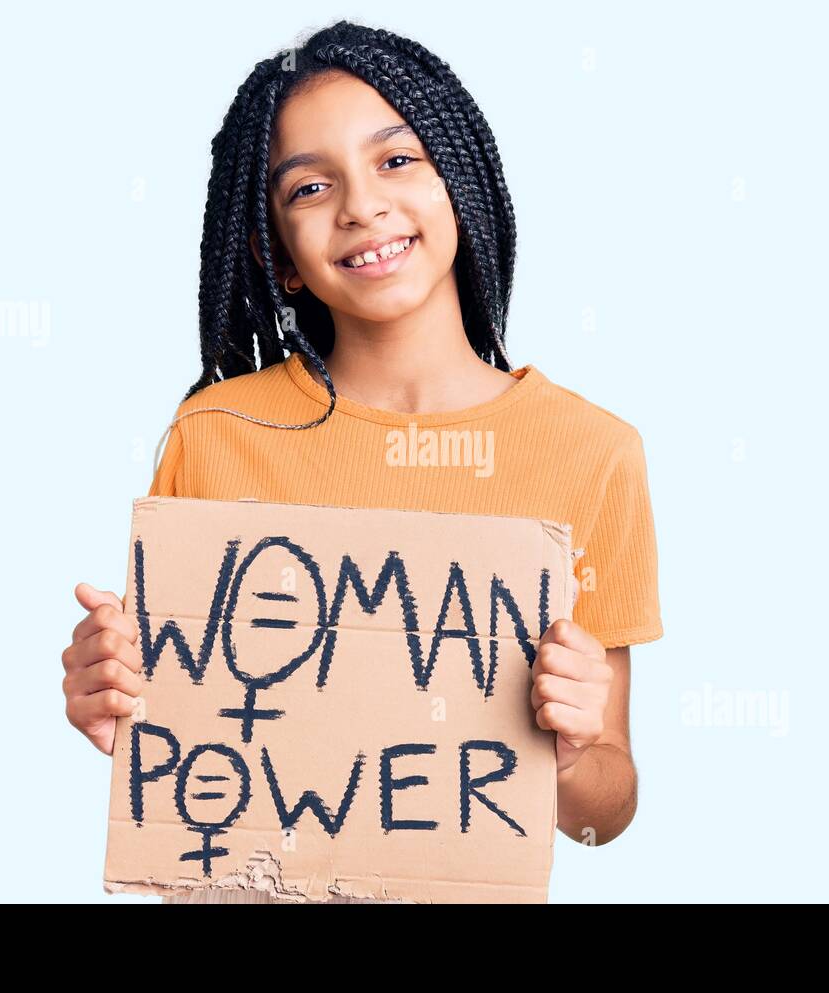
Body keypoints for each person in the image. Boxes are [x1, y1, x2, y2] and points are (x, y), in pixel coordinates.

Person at [61, 19, 664, 905]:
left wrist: (571, 757)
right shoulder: (216, 434)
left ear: (456, 179)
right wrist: (113, 692)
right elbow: (186, 754)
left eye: (396, 161)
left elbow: (602, 815)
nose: (360, 207)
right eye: (310, 187)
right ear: (280, 257)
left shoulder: (594, 453)